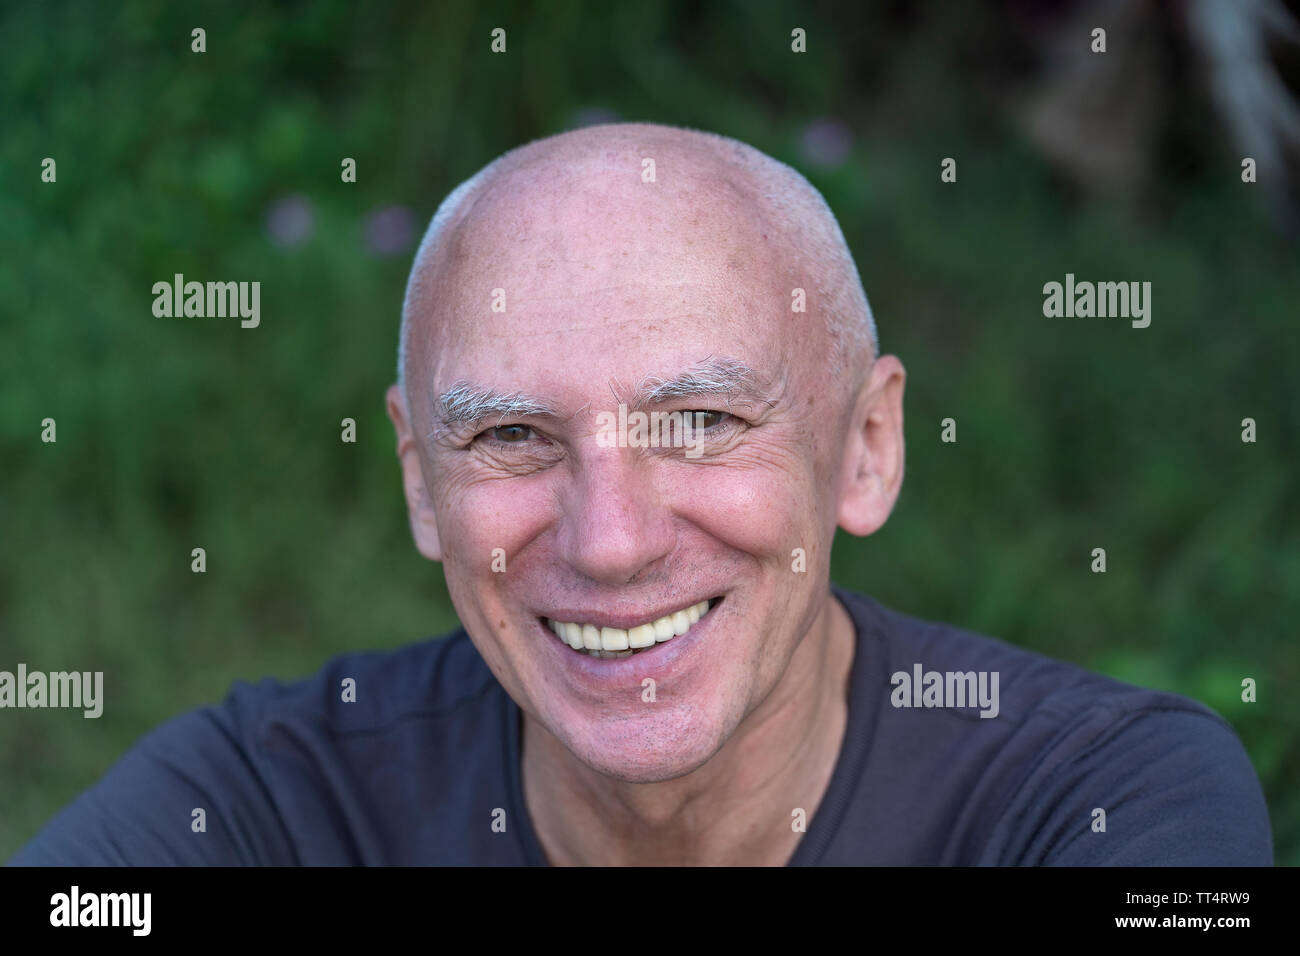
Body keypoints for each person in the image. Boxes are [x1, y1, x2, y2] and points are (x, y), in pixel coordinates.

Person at [10, 123, 1272, 865]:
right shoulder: (266, 803)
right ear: (419, 480)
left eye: (700, 422)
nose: (609, 541)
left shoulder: (1106, 801)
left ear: (868, 445)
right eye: (510, 434)